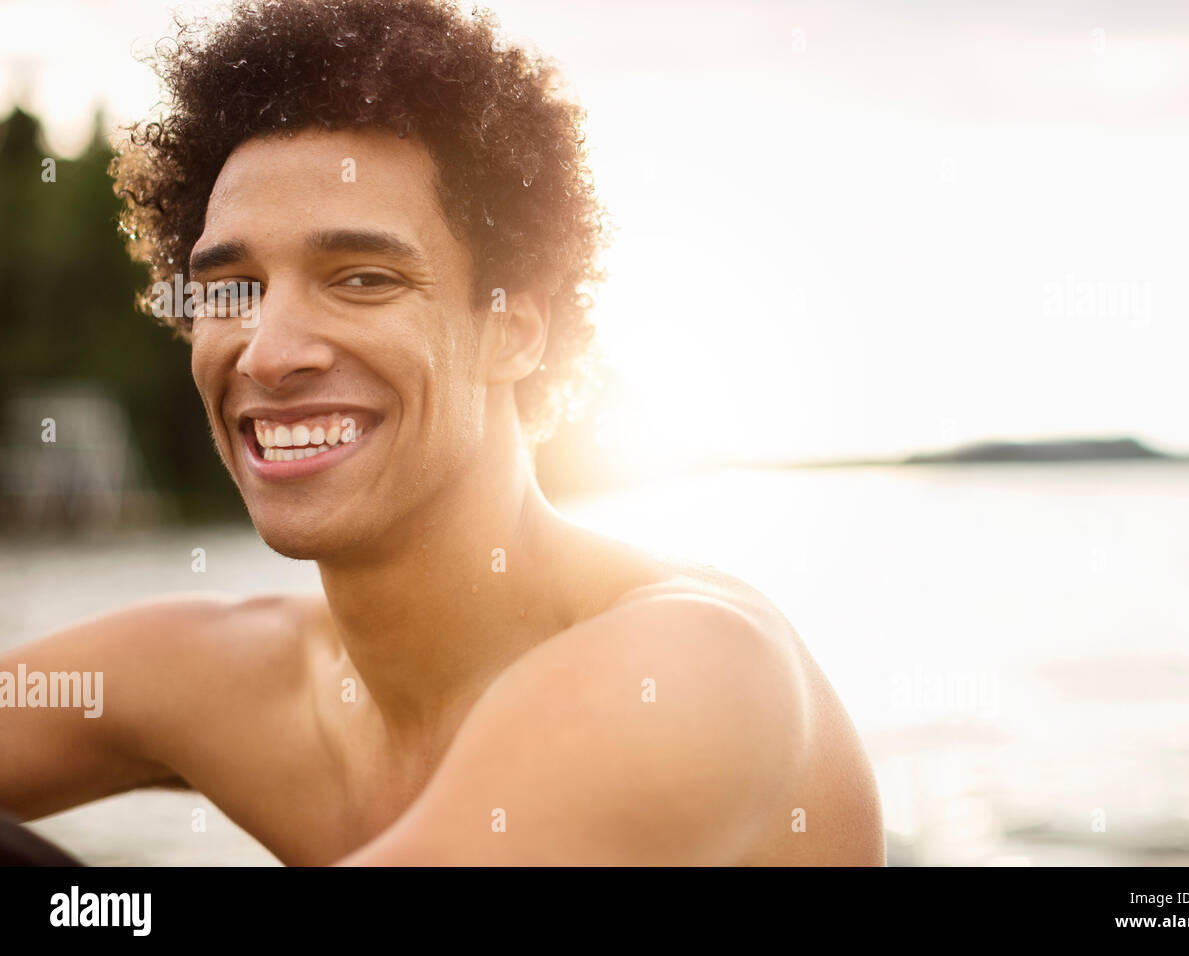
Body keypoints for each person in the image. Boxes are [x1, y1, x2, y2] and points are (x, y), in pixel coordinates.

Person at [0, 0, 884, 865]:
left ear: (514, 327)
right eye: (230, 289)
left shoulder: (695, 671)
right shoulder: (219, 673)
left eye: (362, 279)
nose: (267, 354)